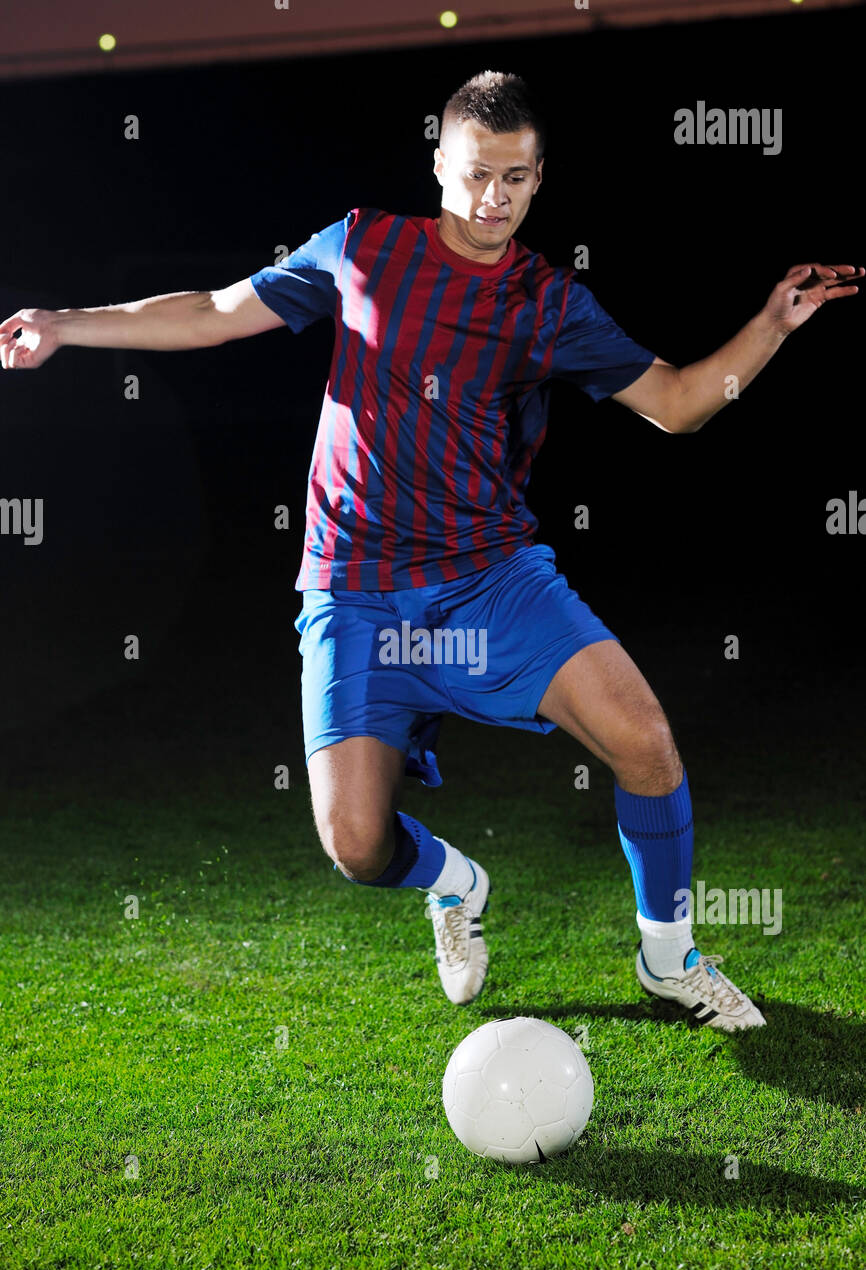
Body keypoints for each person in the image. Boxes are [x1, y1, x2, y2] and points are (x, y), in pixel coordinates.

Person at [3, 70, 860, 1031]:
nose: (495, 199)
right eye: (478, 174)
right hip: (355, 590)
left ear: (540, 180)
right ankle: (455, 881)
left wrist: (771, 325)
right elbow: (212, 309)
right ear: (439, 163)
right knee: (358, 846)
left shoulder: (547, 301)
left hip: (488, 579)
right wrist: (66, 327)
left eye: (519, 179)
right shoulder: (363, 247)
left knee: (646, 743)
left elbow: (675, 404)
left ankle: (670, 960)